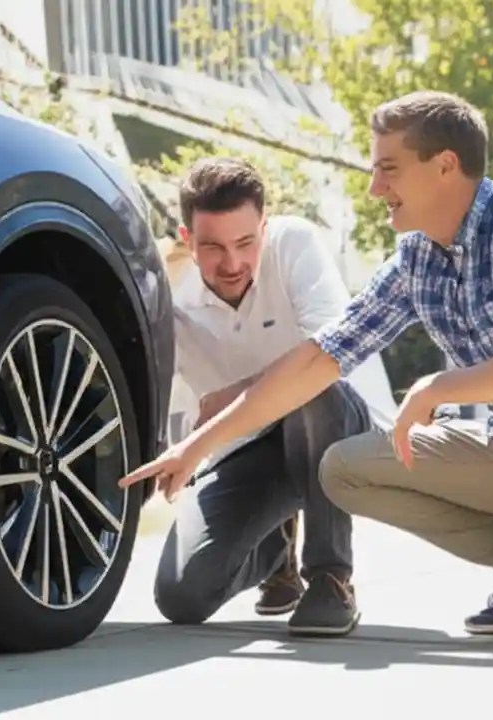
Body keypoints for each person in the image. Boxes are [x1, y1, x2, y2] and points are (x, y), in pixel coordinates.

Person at [124, 91, 493, 653]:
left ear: (444, 167)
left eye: (388, 170)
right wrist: (194, 448)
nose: (374, 189)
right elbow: (320, 358)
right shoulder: (418, 258)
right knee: (344, 470)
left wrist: (437, 386)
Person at [154, 157, 395, 637]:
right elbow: (169, 415)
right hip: (251, 449)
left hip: (344, 429)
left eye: (246, 242)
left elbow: (328, 355)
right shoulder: (172, 305)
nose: (233, 263)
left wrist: (234, 394)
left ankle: (330, 576)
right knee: (182, 595)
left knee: (311, 392)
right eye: (213, 247)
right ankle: (273, 552)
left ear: (264, 227)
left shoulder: (295, 242)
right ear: (187, 239)